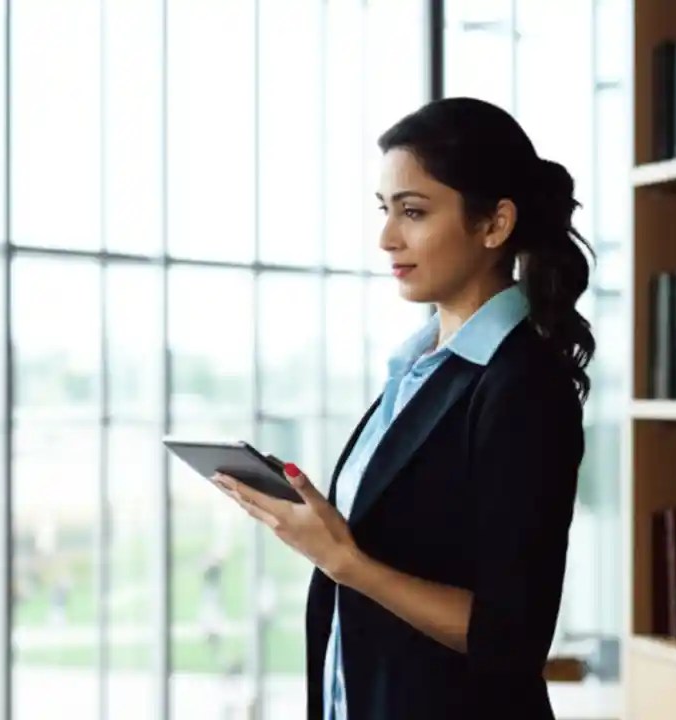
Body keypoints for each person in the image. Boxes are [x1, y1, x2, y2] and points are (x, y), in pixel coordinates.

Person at [212, 96, 593, 719]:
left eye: (413, 212)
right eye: (386, 210)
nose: (388, 237)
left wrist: (343, 560)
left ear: (494, 224)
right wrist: (324, 531)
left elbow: (511, 637)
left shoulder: (522, 386)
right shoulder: (414, 371)